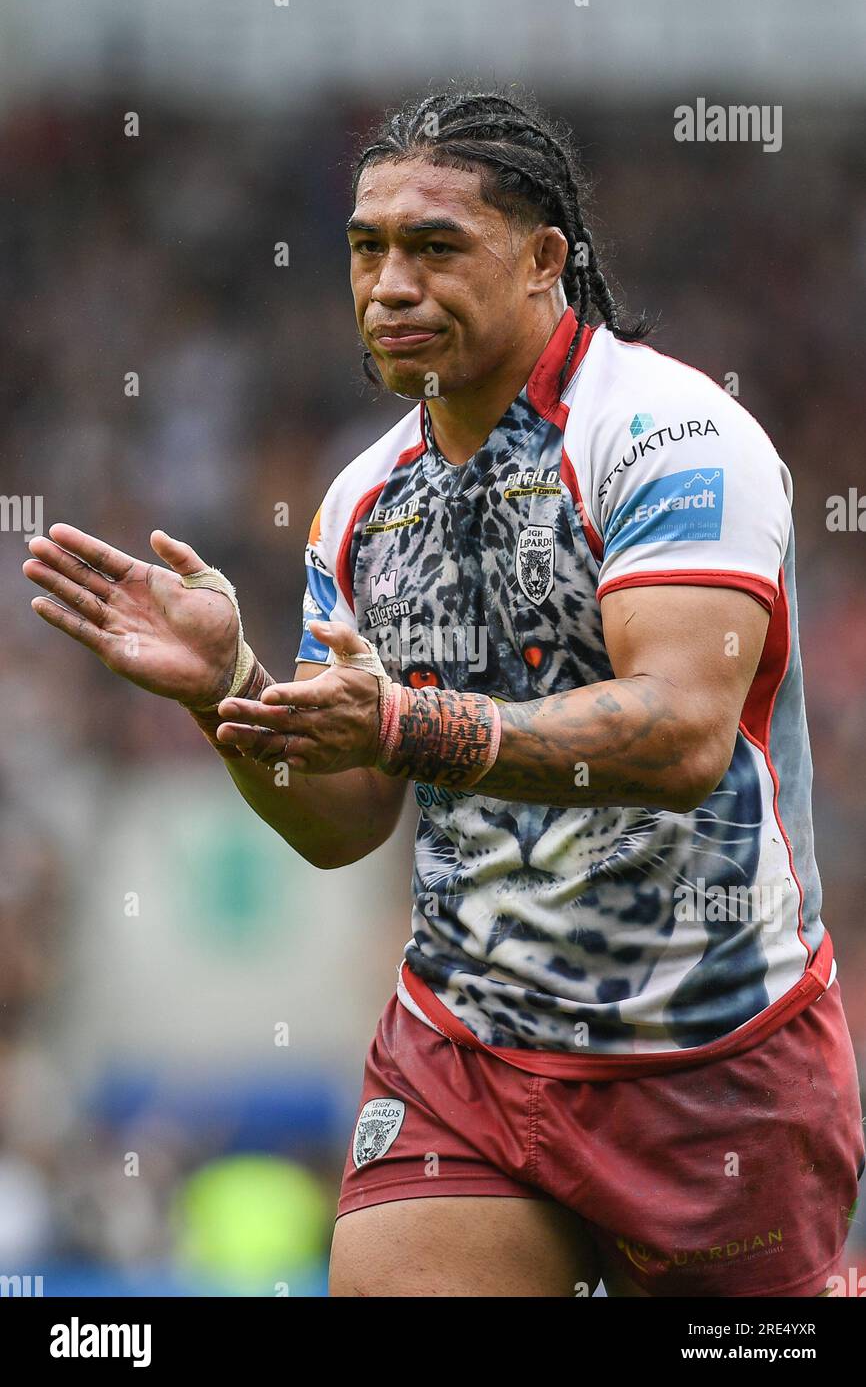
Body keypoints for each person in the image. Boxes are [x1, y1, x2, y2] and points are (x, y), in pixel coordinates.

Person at [24, 88, 864, 1298]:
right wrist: (226, 694)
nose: (389, 285)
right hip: (463, 1052)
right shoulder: (362, 502)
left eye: (432, 247)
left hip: (708, 1060)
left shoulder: (671, 435)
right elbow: (349, 815)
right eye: (366, 248)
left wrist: (409, 722)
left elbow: (680, 734)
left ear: (541, 262)